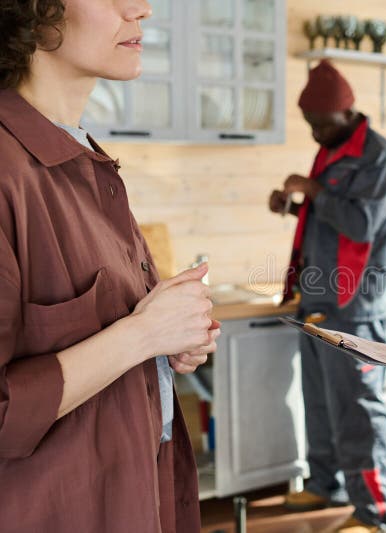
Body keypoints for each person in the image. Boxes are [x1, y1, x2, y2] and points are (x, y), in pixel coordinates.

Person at [0, 1, 219, 531]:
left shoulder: (80, 154)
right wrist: (143, 335)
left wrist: (166, 341)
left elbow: (100, 337)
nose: (141, 8)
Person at [268, 60, 386, 533]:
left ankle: (375, 514)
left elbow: (362, 224)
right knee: (321, 403)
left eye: (321, 125)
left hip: (356, 306)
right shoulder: (333, 149)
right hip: (318, 297)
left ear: (349, 113)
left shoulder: (379, 159)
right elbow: (331, 218)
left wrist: (313, 191)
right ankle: (327, 485)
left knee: (358, 412)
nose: (315, 134)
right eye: (310, 125)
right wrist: (295, 206)